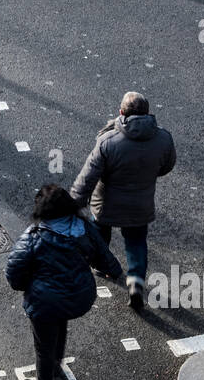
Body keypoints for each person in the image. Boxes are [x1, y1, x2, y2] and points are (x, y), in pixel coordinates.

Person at [5, 184, 122, 380]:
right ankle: (56, 362)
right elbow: (106, 260)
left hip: (44, 302)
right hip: (78, 297)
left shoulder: (33, 236)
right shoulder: (83, 227)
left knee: (43, 345)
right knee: (60, 324)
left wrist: (25, 287)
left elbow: (14, 273)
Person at [69, 91, 177, 312]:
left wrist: (73, 204)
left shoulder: (108, 141)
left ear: (121, 113)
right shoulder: (163, 138)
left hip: (106, 203)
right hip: (140, 205)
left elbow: (87, 177)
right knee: (136, 243)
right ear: (148, 113)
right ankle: (136, 281)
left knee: (100, 233)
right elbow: (167, 165)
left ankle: (102, 265)